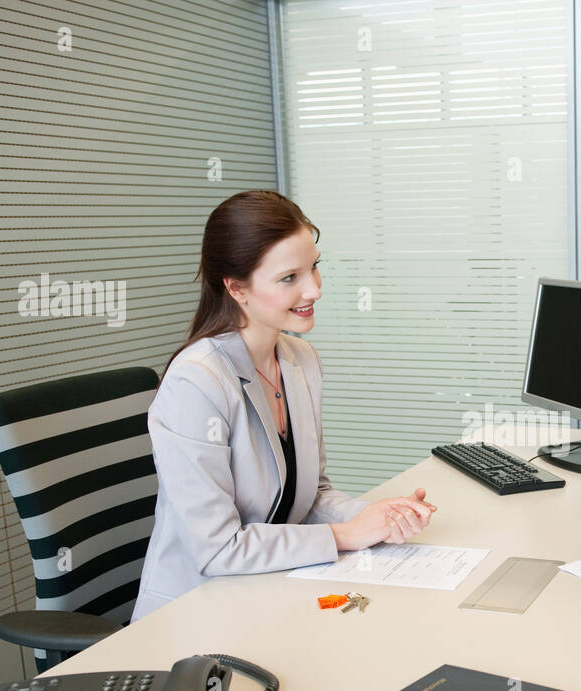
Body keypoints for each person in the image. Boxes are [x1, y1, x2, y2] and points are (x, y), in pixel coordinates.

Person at [133, 191, 436, 620]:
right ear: (237, 288)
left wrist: (377, 516)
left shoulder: (299, 359)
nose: (313, 288)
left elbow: (309, 495)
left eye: (314, 266)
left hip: (271, 592)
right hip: (198, 613)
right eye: (288, 277)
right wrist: (346, 534)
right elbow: (219, 549)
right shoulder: (196, 383)